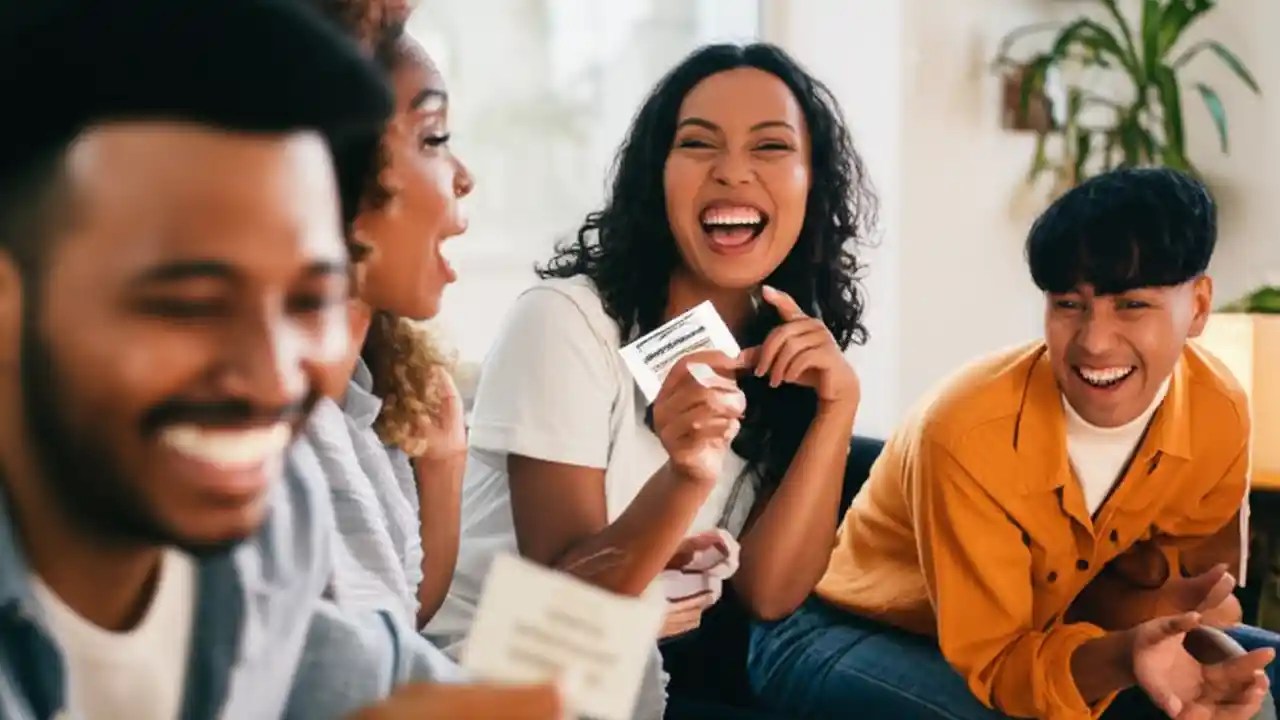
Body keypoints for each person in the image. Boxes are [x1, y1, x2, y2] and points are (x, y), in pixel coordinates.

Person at [0, 2, 558, 718]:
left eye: (310, 300)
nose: (272, 377)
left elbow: (378, 671)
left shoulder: (270, 523)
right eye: (191, 304)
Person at [425, 42, 875, 718]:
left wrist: (836, 410)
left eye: (771, 147)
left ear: (813, 185)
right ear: (655, 178)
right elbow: (565, 605)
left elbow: (768, 592)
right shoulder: (566, 322)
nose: (732, 173)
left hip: (638, 673)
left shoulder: (783, 354)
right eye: (699, 144)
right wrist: (685, 473)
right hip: (494, 668)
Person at [748, 167, 1280, 720]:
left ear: (1196, 307)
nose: (1095, 343)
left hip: (1046, 630)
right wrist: (1126, 655)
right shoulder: (968, 432)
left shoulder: (1217, 410)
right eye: (1069, 305)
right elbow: (1002, 664)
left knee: (1261, 680)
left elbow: (1145, 599)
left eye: (1132, 305)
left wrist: (1187, 631)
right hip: (843, 631)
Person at [294, 0, 474, 633]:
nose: (464, 177)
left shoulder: (357, 404)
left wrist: (445, 464)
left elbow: (392, 624)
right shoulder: (287, 434)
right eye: (434, 139)